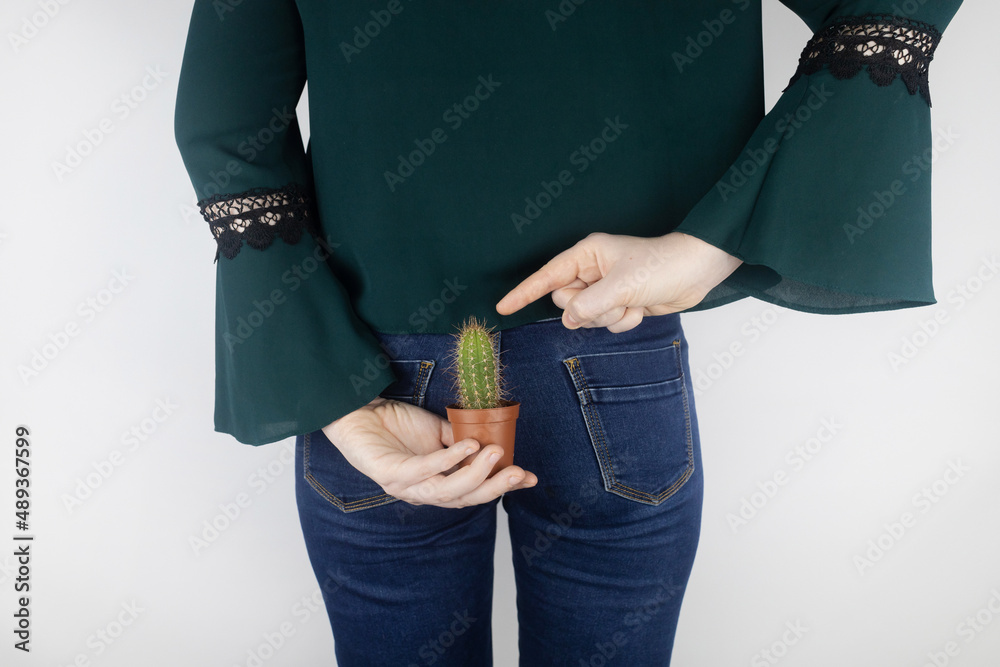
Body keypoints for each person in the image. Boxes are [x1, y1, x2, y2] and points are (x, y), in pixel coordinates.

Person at [174, 1, 963, 664]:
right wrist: (709, 246)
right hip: (609, 352)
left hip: (370, 367)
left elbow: (226, 125)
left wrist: (336, 397)